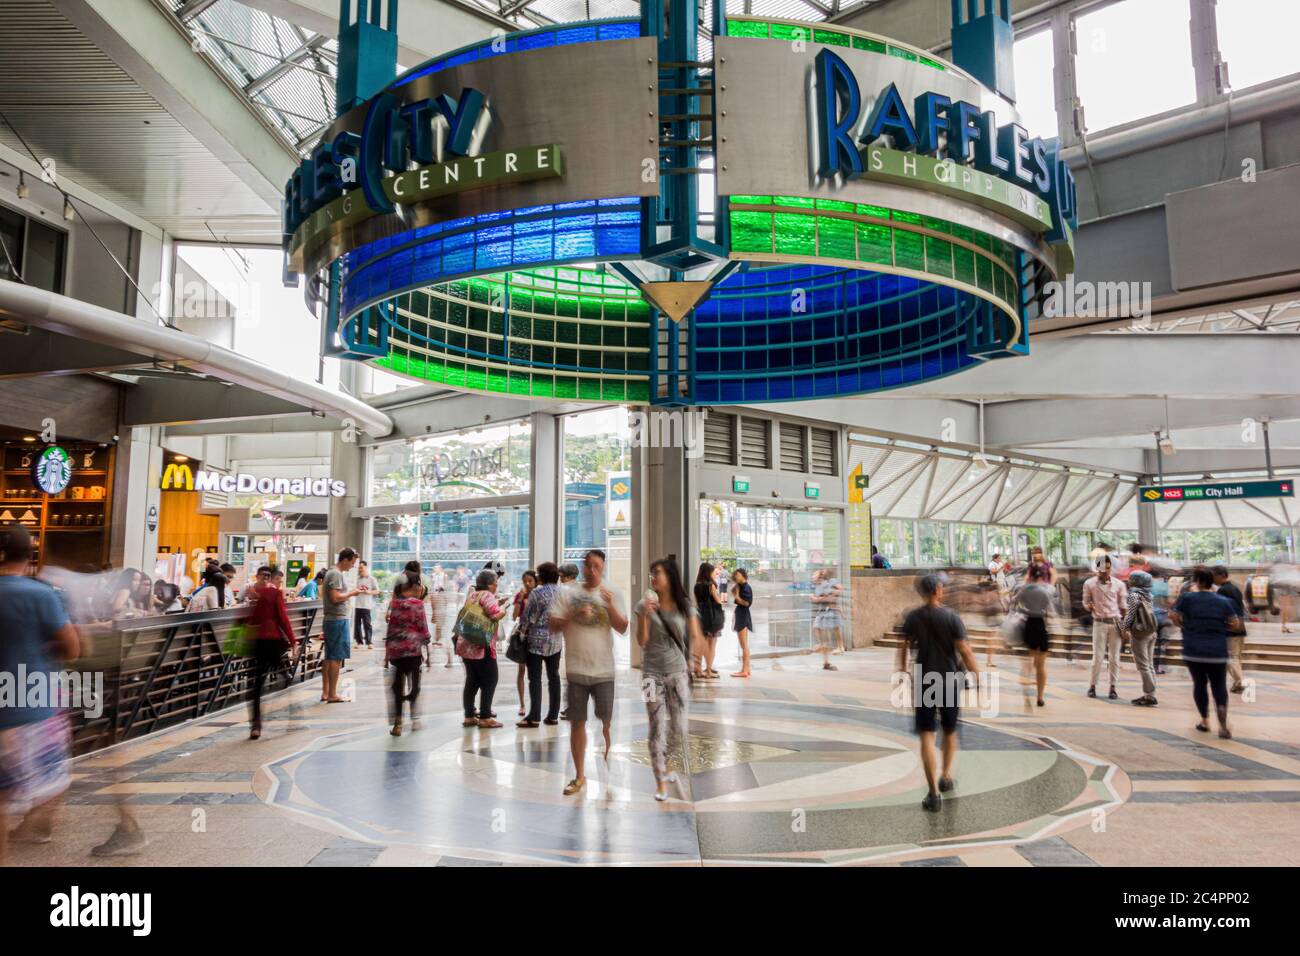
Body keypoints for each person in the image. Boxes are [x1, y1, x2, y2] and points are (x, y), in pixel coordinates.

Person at [0, 525, 81, 864]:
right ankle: (38, 821)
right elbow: (73, 648)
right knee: (52, 778)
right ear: (29, 555)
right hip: (29, 706)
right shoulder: (41, 594)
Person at [895, 573, 980, 812]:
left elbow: (902, 647)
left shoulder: (912, 616)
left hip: (923, 679)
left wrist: (902, 672)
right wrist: (976, 674)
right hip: (949, 678)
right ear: (938, 590)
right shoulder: (952, 617)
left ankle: (933, 794)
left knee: (927, 735)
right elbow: (964, 649)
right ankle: (945, 775)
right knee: (950, 730)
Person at [550, 549, 628, 795]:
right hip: (576, 670)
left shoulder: (612, 592)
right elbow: (553, 624)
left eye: (596, 565)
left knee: (606, 721)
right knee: (577, 723)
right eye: (587, 565)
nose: (591, 569)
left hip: (604, 670)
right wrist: (574, 613)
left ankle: (607, 761)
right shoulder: (570, 594)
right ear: (582, 567)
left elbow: (623, 627)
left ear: (603, 567)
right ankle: (580, 775)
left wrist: (609, 605)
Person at [636, 558, 701, 802]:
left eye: (658, 573)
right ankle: (660, 779)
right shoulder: (644, 604)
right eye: (652, 573)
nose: (653, 577)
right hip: (651, 675)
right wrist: (644, 615)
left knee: (678, 727)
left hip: (678, 674)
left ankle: (670, 762)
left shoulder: (684, 605)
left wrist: (695, 660)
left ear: (670, 577)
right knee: (656, 728)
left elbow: (695, 635)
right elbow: (641, 641)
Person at [1171, 566, 1239, 739]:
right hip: (1217, 649)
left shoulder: (1187, 598)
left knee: (1199, 684)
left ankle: (1205, 720)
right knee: (1219, 685)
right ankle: (1222, 714)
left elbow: (1173, 615)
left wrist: (1184, 625)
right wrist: (1221, 627)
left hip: (1193, 648)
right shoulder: (1223, 601)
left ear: (1198, 581)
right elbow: (1234, 623)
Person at [245, 565, 297, 740]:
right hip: (270, 641)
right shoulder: (271, 593)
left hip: (257, 641)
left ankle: (256, 724)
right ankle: (291, 717)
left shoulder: (251, 592)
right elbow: (282, 617)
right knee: (283, 677)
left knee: (257, 683)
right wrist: (293, 641)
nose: (266, 578)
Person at [457, 568, 507, 728]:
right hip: (481, 646)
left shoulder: (473, 594)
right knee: (490, 679)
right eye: (495, 583)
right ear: (490, 584)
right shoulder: (487, 595)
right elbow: (494, 615)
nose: (496, 586)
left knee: (472, 681)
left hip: (465, 645)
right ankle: (485, 716)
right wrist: (503, 609)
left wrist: (496, 605)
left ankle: (469, 716)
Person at [385, 571, 432, 736]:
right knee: (414, 686)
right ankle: (414, 719)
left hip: (397, 653)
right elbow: (423, 629)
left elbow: (390, 629)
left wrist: (387, 653)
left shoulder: (395, 603)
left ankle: (398, 724)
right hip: (413, 652)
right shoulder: (418, 604)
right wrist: (428, 651)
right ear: (415, 585)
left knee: (398, 686)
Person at [517, 563, 564, 728]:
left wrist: (520, 632)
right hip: (556, 641)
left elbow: (528, 617)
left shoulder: (537, 593)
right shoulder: (562, 593)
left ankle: (534, 716)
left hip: (536, 642)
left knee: (535, 679)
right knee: (554, 678)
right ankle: (553, 715)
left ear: (541, 576)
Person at [1082, 553, 1128, 700]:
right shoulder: (1089, 584)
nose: (1105, 572)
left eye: (1107, 569)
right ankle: (1092, 686)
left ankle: (1113, 687)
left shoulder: (1119, 584)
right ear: (1097, 568)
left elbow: (1123, 606)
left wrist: (1126, 626)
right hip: (1099, 623)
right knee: (1098, 657)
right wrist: (1089, 606)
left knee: (1114, 658)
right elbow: (1085, 601)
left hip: (1115, 623)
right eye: (1102, 569)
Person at [320, 548, 363, 704]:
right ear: (346, 559)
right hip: (337, 620)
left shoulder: (332, 573)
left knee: (330, 657)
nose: (352, 566)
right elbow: (336, 597)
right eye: (352, 562)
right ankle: (332, 694)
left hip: (333, 620)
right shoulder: (336, 574)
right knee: (336, 658)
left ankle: (326, 692)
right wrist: (352, 593)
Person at [1012, 573, 1055, 707]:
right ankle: (1040, 697)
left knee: (1028, 661)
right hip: (1041, 625)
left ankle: (1026, 693)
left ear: (1030, 577)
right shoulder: (1045, 591)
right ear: (1040, 578)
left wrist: (1025, 609)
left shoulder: (1024, 590)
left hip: (1028, 625)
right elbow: (1051, 612)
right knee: (1041, 665)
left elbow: (1014, 602)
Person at [1122, 570, 1160, 707]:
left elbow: (1131, 614)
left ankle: (1149, 696)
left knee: (1143, 665)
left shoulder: (1134, 595)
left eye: (1132, 578)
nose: (1129, 580)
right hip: (1151, 631)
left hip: (1139, 633)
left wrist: (1124, 628)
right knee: (1149, 664)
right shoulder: (1149, 594)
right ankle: (1150, 694)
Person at [1212, 565, 1248, 694]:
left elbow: (1223, 610)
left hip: (1231, 627)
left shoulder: (1223, 591)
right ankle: (1238, 682)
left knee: (1230, 656)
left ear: (1221, 575)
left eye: (1214, 576)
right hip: (1240, 626)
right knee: (1237, 656)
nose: (1212, 579)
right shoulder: (1234, 588)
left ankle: (1239, 682)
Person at [510, 569, 537, 716]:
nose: (527, 583)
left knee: (534, 673)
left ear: (535, 582)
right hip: (523, 635)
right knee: (521, 671)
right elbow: (514, 616)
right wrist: (520, 600)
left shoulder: (539, 595)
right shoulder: (519, 596)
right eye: (525, 581)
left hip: (536, 636)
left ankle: (534, 704)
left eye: (530, 581)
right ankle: (522, 704)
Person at [693, 562, 724, 680]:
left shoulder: (696, 586)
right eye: (712, 571)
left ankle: (700, 669)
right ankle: (709, 671)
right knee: (711, 645)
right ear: (708, 572)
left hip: (701, 616)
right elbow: (718, 601)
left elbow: (697, 603)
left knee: (703, 643)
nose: (714, 573)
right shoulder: (711, 585)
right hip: (712, 618)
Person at [811, 568, 845, 670]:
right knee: (819, 632)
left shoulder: (824, 585)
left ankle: (832, 648)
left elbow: (831, 598)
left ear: (820, 577)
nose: (812, 577)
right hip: (822, 614)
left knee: (823, 636)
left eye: (814, 575)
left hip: (826, 614)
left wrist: (816, 599)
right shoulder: (819, 586)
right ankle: (825, 660)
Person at [730, 567, 754, 678]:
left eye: (738, 575)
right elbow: (732, 591)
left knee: (744, 645)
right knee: (743, 644)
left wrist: (737, 596)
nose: (736, 577)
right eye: (735, 575)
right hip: (741, 615)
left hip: (743, 616)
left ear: (743, 575)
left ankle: (744, 670)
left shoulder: (746, 588)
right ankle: (746, 670)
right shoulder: (741, 586)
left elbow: (746, 603)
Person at [353, 559, 376, 649]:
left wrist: (369, 592)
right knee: (357, 624)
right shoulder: (356, 579)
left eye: (361, 568)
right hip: (357, 604)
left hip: (366, 605)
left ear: (366, 567)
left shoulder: (371, 579)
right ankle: (359, 642)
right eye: (359, 568)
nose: (360, 570)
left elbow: (377, 591)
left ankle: (369, 642)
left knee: (367, 624)